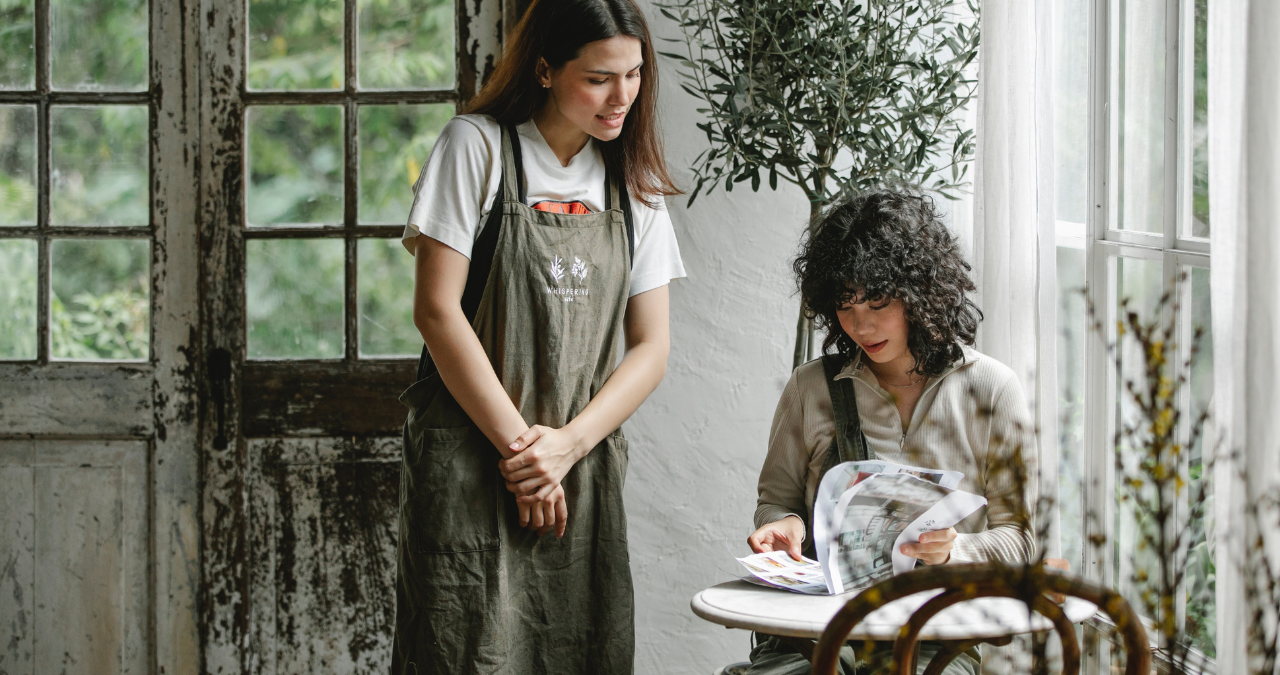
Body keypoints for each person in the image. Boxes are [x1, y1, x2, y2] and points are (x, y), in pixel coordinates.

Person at [391, 0, 684, 672]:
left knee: (581, 647)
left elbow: (652, 347)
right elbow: (437, 311)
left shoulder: (632, 177)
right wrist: (527, 456)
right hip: (471, 460)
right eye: (600, 78)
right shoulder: (476, 146)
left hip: (579, 470)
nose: (622, 98)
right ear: (546, 70)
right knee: (464, 650)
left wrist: (566, 448)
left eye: (634, 75)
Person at [745, 190, 1038, 675]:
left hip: (934, 639)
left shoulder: (992, 389)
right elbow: (776, 502)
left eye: (877, 301)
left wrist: (955, 549)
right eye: (845, 305)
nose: (860, 324)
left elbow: (1022, 541)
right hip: (819, 632)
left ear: (920, 290)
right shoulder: (811, 388)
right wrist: (785, 527)